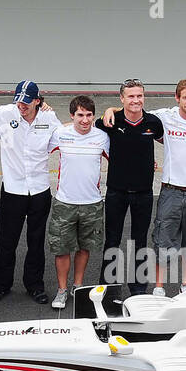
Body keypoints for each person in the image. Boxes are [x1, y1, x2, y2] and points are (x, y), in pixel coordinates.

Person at [118, 78, 186, 295]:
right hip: (171, 190)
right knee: (163, 240)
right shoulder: (164, 117)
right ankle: (159, 286)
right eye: (185, 97)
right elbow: (134, 112)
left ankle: (185, 284)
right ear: (177, 98)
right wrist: (111, 109)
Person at [0, 80, 58, 305]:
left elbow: (66, 136)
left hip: (39, 189)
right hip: (13, 189)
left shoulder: (48, 118)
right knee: (7, 240)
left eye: (27, 102)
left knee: (36, 240)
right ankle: (1, 286)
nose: (21, 106)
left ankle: (34, 285)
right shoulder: (4, 113)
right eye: (18, 101)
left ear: (37, 101)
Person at [95, 79, 163, 294]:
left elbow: (170, 141)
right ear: (122, 99)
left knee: (140, 242)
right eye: (131, 96)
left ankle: (138, 289)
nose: (136, 100)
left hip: (143, 193)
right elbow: (82, 125)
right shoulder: (110, 121)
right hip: (116, 192)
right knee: (112, 241)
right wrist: (109, 110)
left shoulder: (153, 123)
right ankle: (109, 287)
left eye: (139, 96)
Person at [46, 95, 110, 308]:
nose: (85, 120)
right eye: (80, 115)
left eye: (89, 115)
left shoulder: (102, 137)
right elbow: (37, 149)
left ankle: (78, 286)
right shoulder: (60, 134)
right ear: (71, 116)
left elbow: (121, 159)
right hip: (64, 202)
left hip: (92, 203)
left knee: (85, 248)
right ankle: (62, 290)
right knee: (62, 249)